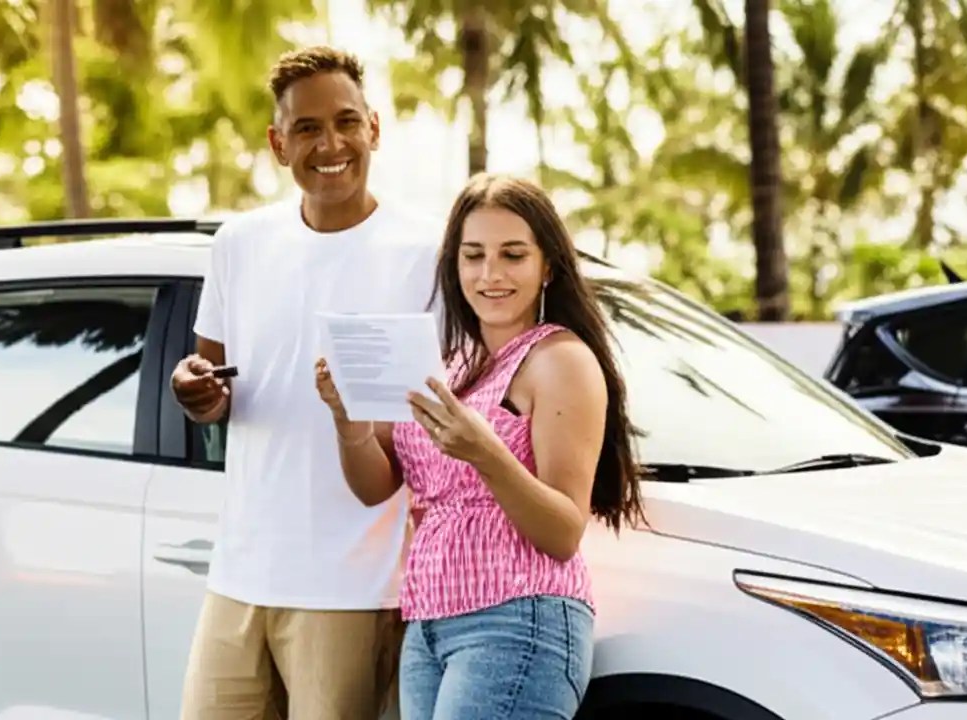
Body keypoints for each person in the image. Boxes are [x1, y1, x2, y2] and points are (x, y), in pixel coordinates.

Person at [170, 45, 442, 720]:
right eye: (307, 129)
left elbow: (437, 421)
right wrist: (194, 389)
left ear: (373, 128)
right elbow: (214, 386)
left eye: (346, 122)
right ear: (277, 143)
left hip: (353, 586)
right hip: (238, 575)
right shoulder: (238, 243)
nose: (331, 145)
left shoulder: (426, 253)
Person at [314, 173, 646, 719]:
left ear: (547, 267)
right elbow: (375, 487)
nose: (490, 274)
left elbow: (563, 532)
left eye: (513, 255)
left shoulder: (559, 360)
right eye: (473, 256)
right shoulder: (448, 365)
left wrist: (486, 454)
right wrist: (347, 421)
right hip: (428, 627)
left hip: (517, 621)